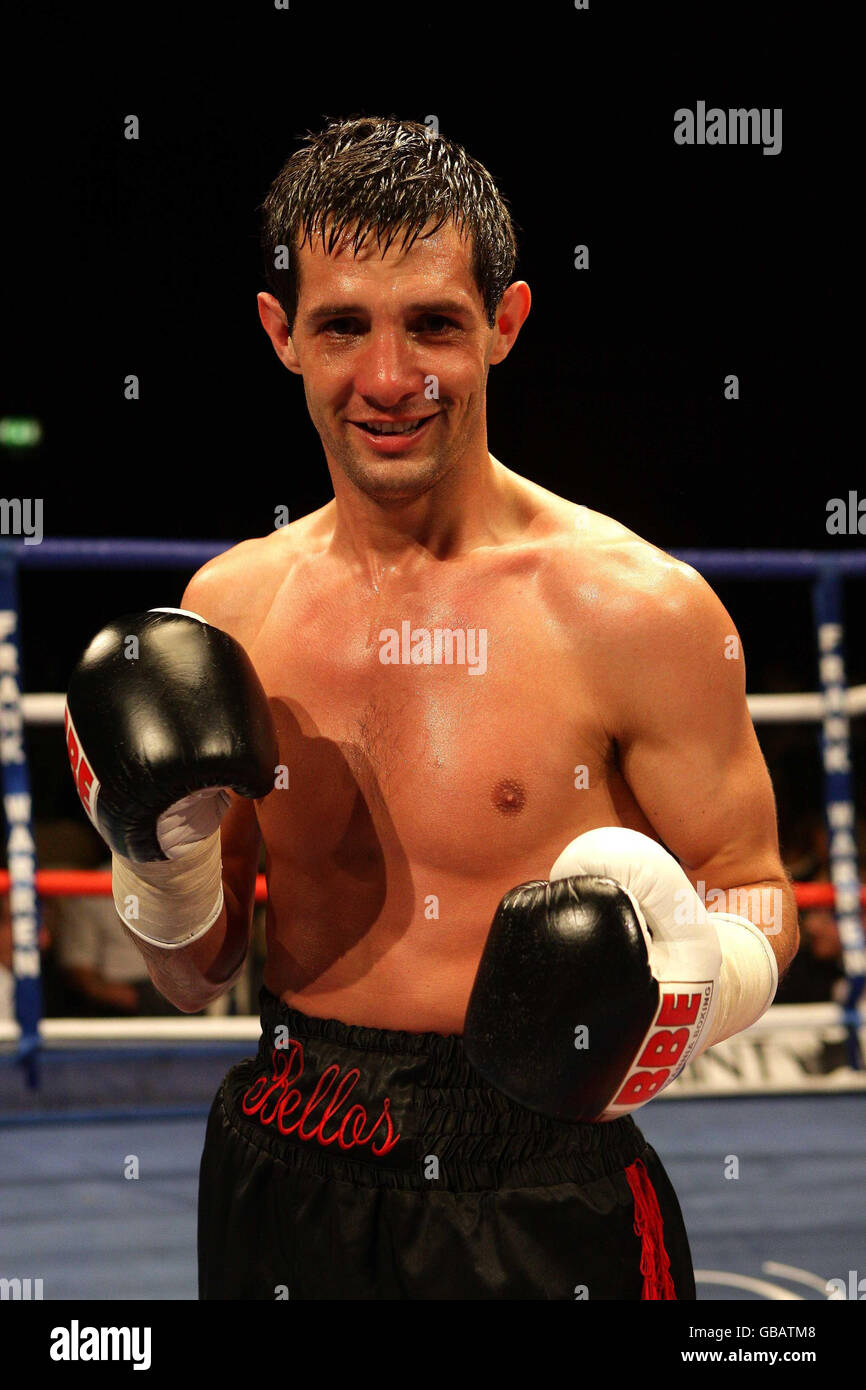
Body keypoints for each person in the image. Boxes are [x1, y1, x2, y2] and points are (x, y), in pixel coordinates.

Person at [64, 116, 799, 1300]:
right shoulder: (231, 605)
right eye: (344, 325)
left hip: (538, 1176)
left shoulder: (636, 610)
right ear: (281, 336)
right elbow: (196, 973)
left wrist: (686, 985)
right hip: (285, 1147)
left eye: (434, 325)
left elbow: (755, 888)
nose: (390, 379)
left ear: (504, 325)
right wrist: (162, 853)